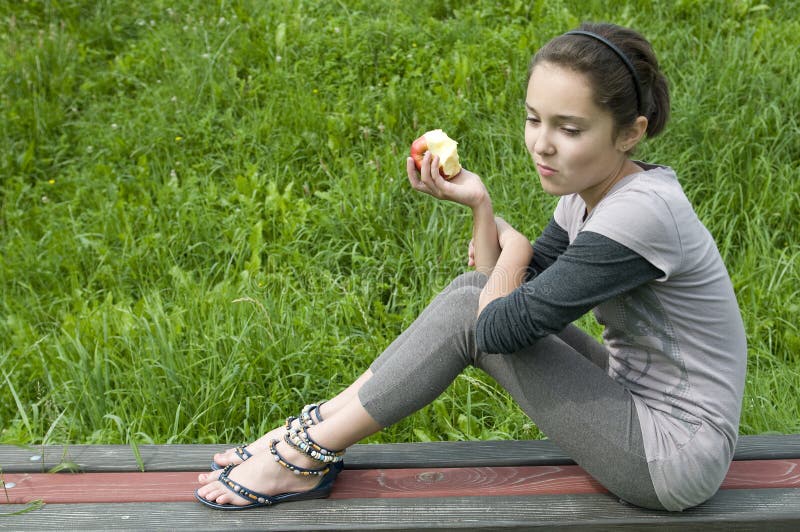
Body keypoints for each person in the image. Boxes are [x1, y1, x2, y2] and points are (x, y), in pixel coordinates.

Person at [195, 22, 747, 512]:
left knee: (470, 307)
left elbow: (492, 329)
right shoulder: (587, 196)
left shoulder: (641, 214)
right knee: (469, 291)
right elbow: (493, 289)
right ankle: (307, 434)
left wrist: (519, 249)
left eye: (569, 129)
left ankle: (301, 454)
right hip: (634, 403)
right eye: (534, 119)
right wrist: (482, 209)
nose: (542, 144)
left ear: (630, 133)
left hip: (673, 456)